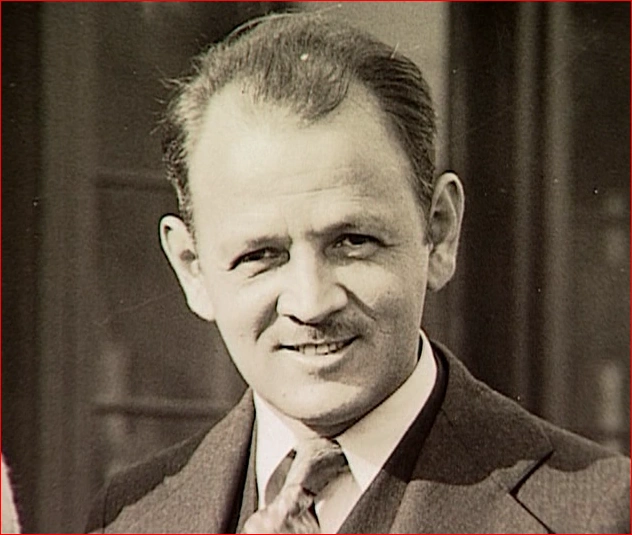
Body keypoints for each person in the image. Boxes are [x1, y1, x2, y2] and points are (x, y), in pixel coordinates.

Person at [86, 12, 630, 534]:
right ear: (193, 268)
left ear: (439, 231)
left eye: (352, 242)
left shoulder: (601, 515)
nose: (311, 302)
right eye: (261, 255)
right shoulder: (128, 518)